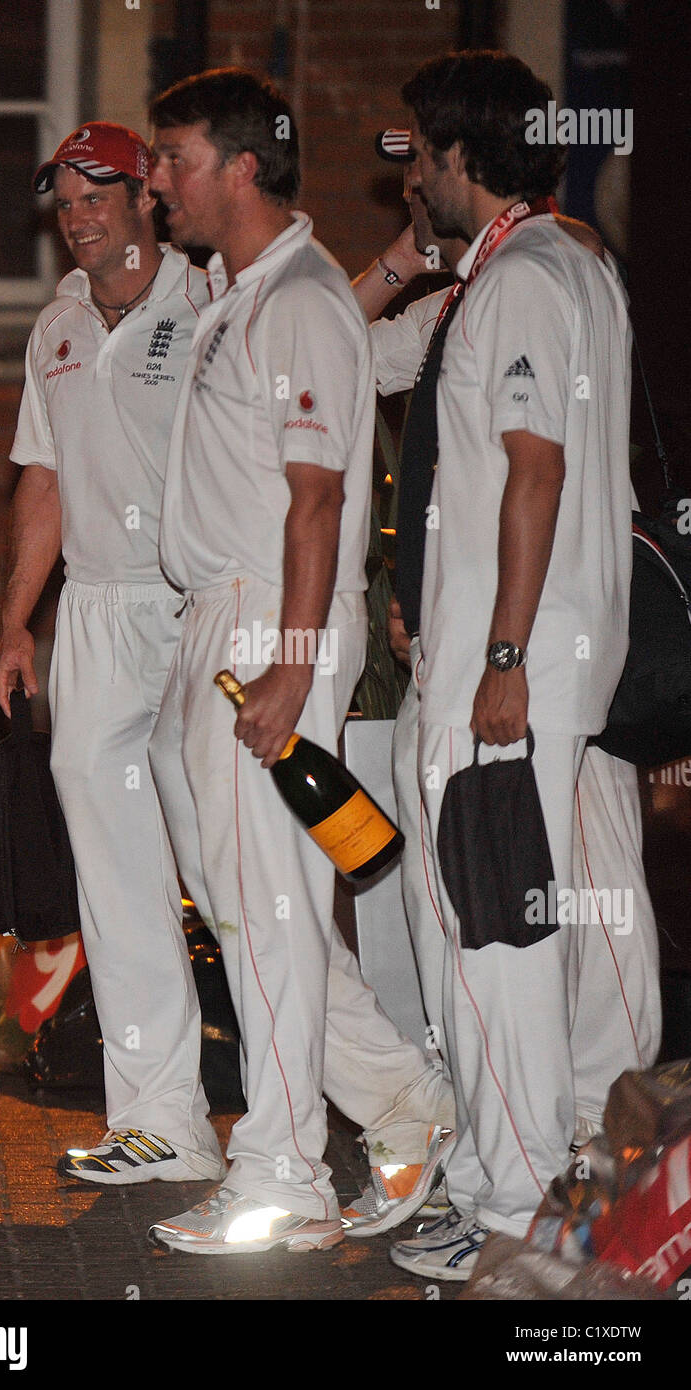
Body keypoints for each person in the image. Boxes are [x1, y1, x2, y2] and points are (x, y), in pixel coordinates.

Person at [348, 52, 660, 1280]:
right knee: (547, 921)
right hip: (548, 658)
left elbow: (533, 471)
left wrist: (500, 656)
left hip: (510, 662)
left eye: (416, 156)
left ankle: (506, 1199)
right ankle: (558, 1162)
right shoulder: (550, 269)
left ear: (459, 155)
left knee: (485, 933)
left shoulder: (523, 280)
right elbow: (345, 342)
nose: (405, 180)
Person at [144, 68, 455, 1256]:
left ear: (237, 167)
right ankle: (403, 1101)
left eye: (172, 159)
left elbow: (318, 499)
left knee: (266, 911)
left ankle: (280, 1172)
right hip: (218, 619)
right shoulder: (245, 293)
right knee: (249, 908)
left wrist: (284, 663)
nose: (156, 183)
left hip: (265, 621)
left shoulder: (296, 302)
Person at [0, 121, 227, 1186]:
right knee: (116, 879)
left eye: (99, 195)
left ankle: (356, 1098)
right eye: (65, 201)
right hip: (88, 611)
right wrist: (13, 621)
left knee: (229, 867)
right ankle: (161, 1122)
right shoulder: (56, 327)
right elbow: (39, 482)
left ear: (147, 198)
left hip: (190, 605)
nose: (78, 216)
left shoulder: (213, 298)